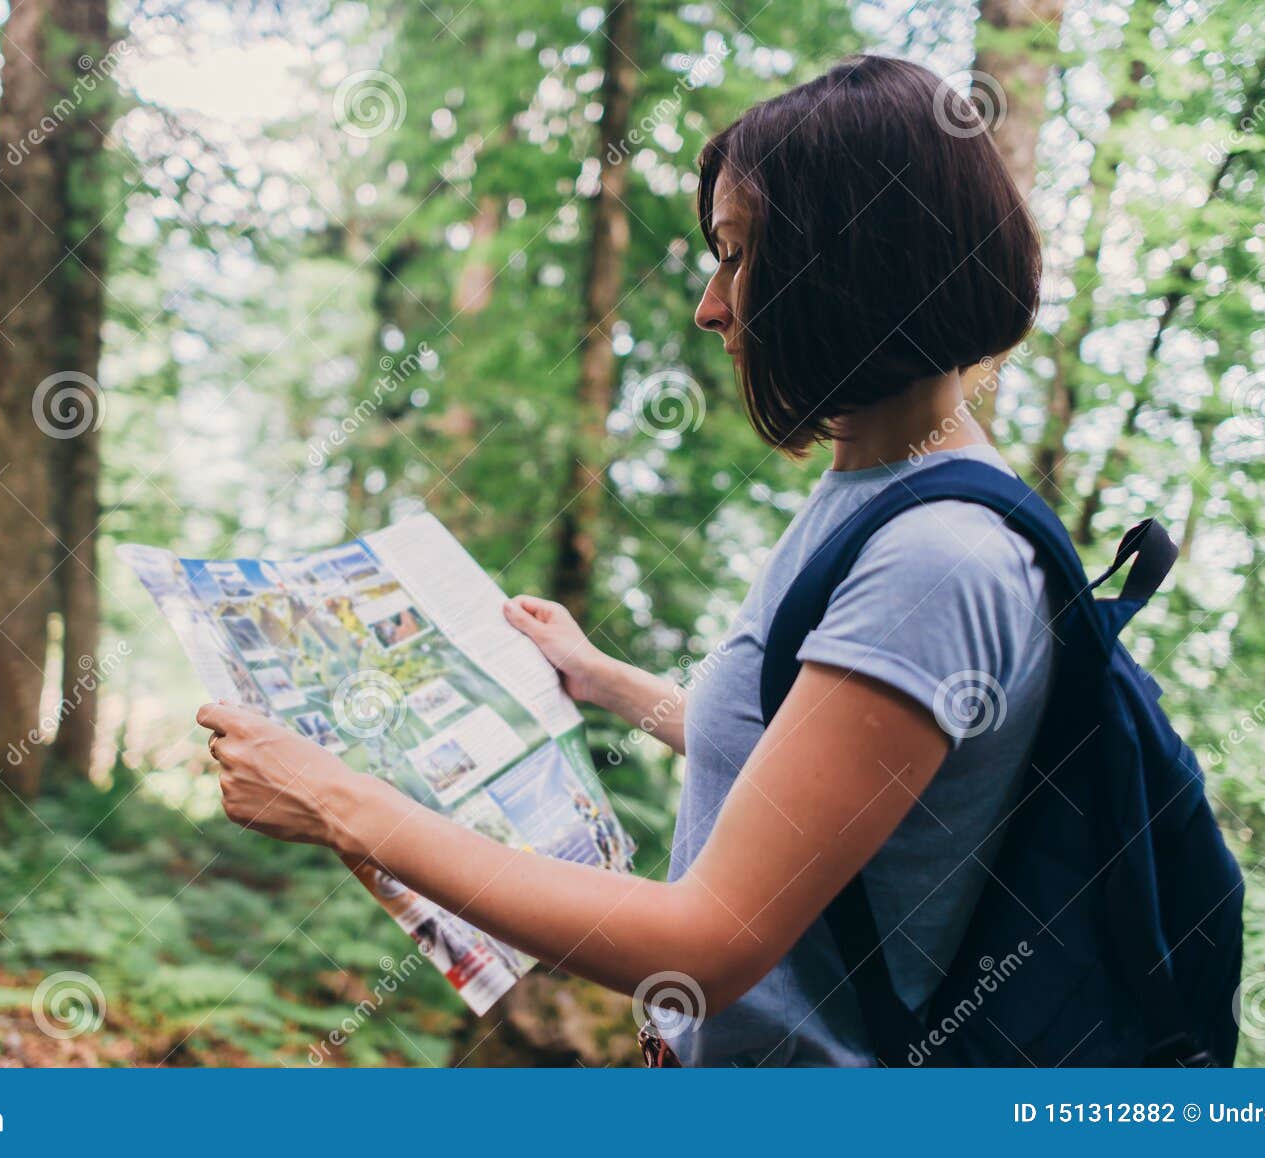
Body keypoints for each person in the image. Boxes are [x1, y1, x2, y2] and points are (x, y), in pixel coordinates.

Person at [197, 54, 1053, 1066]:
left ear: (852, 261)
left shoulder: (937, 561)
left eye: (736, 256)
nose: (709, 303)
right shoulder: (876, 487)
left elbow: (708, 946)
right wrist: (605, 682)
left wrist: (340, 801)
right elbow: (812, 773)